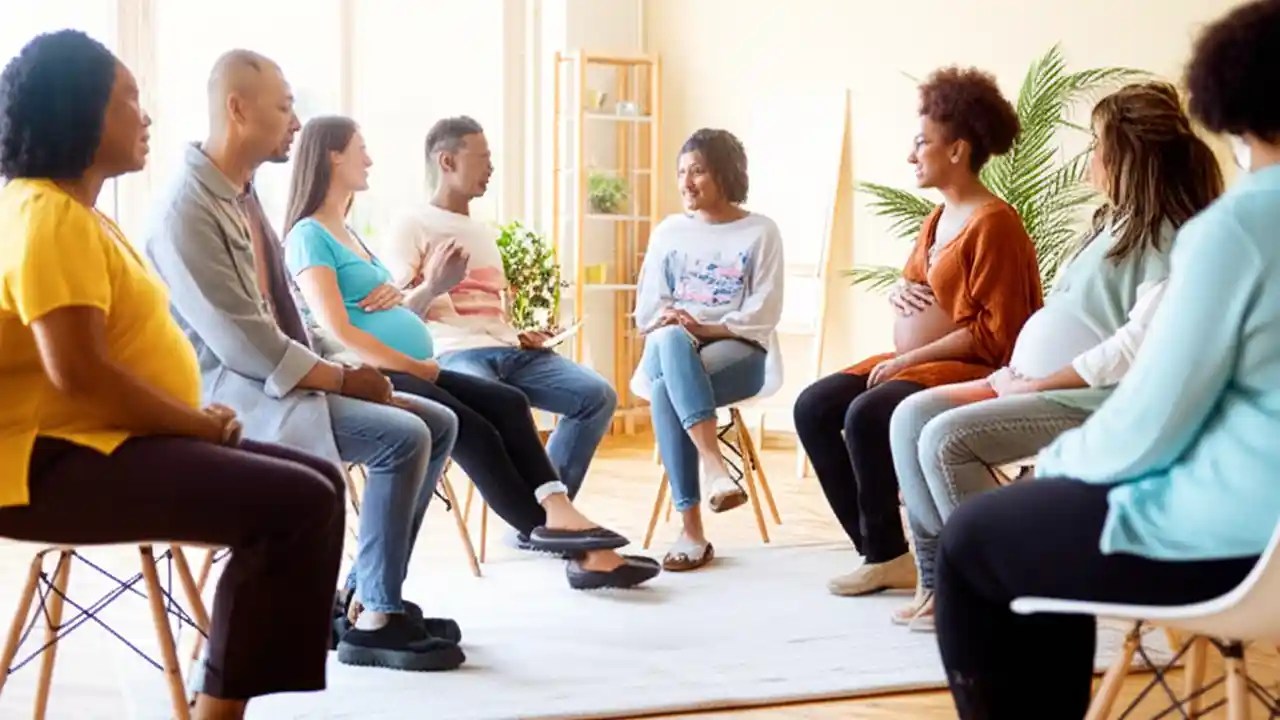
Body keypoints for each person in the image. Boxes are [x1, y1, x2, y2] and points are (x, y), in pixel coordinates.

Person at [934, 2, 1280, 716]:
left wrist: (1053, 469)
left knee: (974, 539)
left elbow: (1156, 417)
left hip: (1237, 541)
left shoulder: (1238, 229)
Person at [0, 32, 344, 720]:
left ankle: (222, 689)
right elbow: (82, 375)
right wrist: (195, 423)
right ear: (80, 111)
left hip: (98, 444)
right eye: (129, 98)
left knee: (323, 484)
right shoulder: (46, 215)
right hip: (49, 464)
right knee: (295, 507)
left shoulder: (75, 215)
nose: (145, 115)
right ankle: (220, 710)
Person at [145, 50, 463, 673]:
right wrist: (350, 377)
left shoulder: (239, 196)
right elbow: (247, 346)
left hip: (278, 380)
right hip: (231, 396)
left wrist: (352, 366)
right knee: (401, 436)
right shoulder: (188, 208)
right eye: (285, 107)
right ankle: (375, 614)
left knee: (440, 423)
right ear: (238, 109)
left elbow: (280, 319)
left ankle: (367, 595)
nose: (296, 123)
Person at [887, 82, 1224, 631]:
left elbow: (1130, 351)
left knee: (947, 440)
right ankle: (937, 580)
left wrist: (1038, 386)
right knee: (910, 416)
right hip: (1035, 381)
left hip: (1091, 399)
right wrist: (1013, 375)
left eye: (1096, 144)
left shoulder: (1173, 238)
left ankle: (1000, 589)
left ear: (1128, 157)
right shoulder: (1107, 225)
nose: (1088, 158)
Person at [282, 115, 659, 589]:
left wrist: (403, 303)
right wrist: (414, 359)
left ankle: (561, 512)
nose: (370, 158)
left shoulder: (350, 235)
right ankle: (583, 549)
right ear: (332, 155)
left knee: (509, 402)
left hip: (415, 364)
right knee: (474, 428)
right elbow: (341, 332)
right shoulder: (307, 235)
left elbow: (384, 303)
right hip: (379, 373)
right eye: (361, 148)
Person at [792, 67, 1042, 597]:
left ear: (957, 150)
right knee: (813, 407)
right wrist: (897, 295)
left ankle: (885, 553)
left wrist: (907, 361)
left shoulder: (995, 224)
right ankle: (880, 550)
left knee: (866, 412)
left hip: (970, 368)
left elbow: (997, 335)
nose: (911, 156)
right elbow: (914, 284)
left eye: (921, 143)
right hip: (918, 360)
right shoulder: (936, 219)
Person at [381, 116, 617, 506]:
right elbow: (395, 320)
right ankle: (540, 514)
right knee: (502, 404)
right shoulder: (412, 223)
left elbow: (487, 313)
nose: (491, 168)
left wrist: (517, 334)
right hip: (453, 353)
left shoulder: (483, 232)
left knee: (597, 396)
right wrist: (434, 285)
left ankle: (546, 513)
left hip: (509, 351)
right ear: (447, 161)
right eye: (482, 157)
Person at [632, 128, 785, 571]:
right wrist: (674, 324)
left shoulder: (760, 231)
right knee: (668, 338)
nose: (686, 182)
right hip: (673, 347)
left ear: (725, 173)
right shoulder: (669, 232)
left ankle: (692, 532)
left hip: (738, 352)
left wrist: (707, 327)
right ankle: (715, 469)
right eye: (681, 172)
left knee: (666, 386)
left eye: (697, 171)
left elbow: (764, 313)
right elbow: (648, 309)